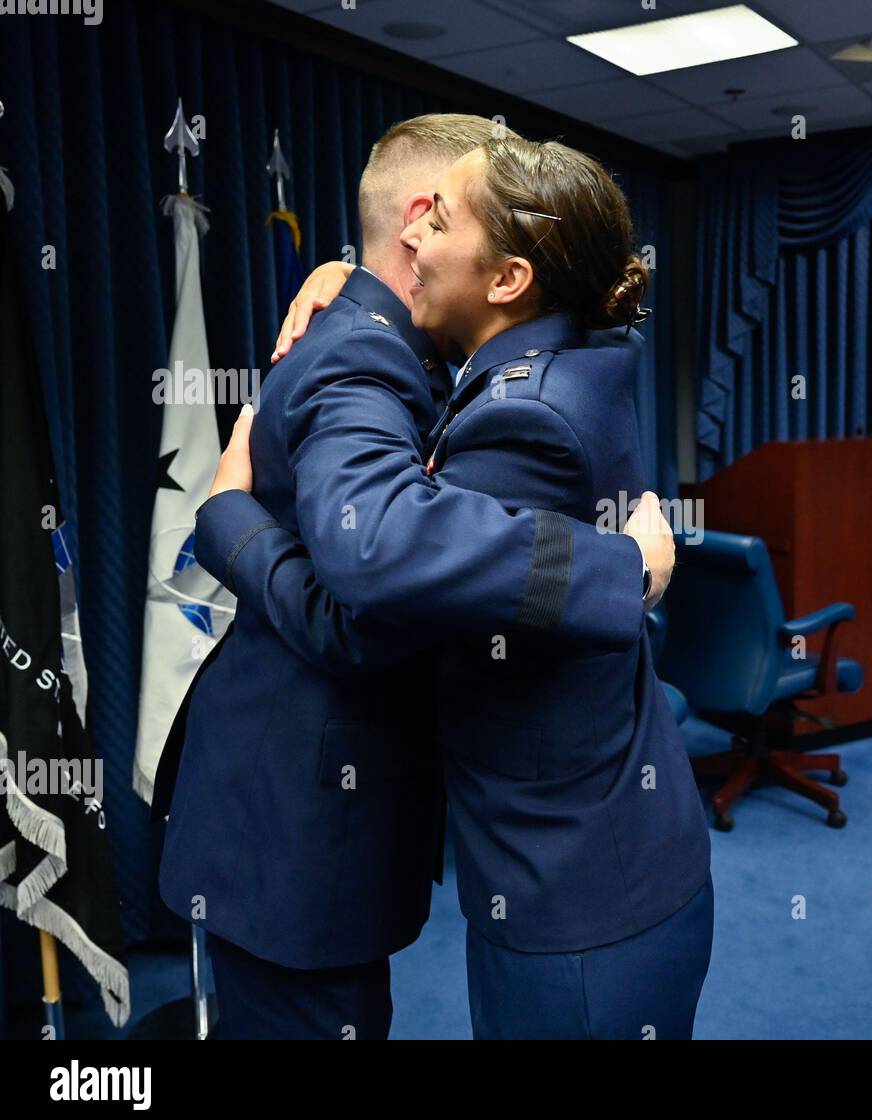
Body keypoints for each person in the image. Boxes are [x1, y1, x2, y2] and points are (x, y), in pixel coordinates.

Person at [152, 114, 676, 1040]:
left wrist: (341, 283)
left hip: (351, 817)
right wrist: (224, 518)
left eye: (446, 220)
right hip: (292, 832)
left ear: (506, 273)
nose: (422, 234)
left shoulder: (451, 361)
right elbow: (375, 570)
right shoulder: (366, 356)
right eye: (423, 217)